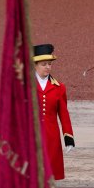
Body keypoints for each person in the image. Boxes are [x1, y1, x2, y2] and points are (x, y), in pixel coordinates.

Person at [32, 43, 75, 180]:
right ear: (35, 65)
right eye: (44, 64)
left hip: (51, 135)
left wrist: (68, 138)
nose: (48, 67)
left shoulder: (59, 87)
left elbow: (63, 114)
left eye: (49, 64)